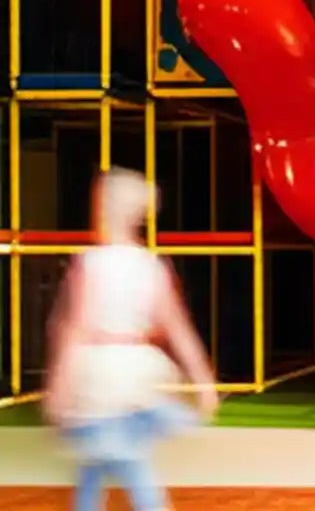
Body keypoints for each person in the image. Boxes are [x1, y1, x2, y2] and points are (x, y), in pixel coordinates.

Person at [44, 168, 219, 511]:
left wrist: (59, 385)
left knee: (118, 461)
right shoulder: (149, 265)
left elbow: (75, 327)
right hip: (134, 371)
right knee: (100, 462)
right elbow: (177, 326)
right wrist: (203, 378)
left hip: (99, 375)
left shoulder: (91, 263)